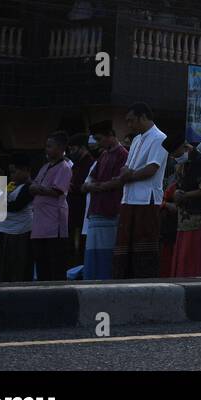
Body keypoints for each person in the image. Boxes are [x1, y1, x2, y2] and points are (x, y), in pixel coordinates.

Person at [114, 103, 169, 279]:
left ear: (143, 117)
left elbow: (152, 168)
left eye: (131, 121)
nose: (129, 125)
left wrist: (128, 175)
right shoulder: (137, 139)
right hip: (129, 198)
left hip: (147, 200)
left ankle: (146, 283)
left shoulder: (160, 138)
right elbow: (127, 167)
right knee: (126, 246)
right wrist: (125, 173)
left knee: (144, 245)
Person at [81, 120, 128, 280]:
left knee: (106, 254)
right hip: (96, 211)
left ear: (110, 135)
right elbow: (88, 181)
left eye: (100, 139)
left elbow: (119, 180)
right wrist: (93, 186)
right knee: (93, 254)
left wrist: (96, 186)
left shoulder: (123, 154)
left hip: (110, 212)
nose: (99, 143)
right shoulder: (104, 155)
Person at [28, 131, 73, 281]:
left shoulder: (64, 167)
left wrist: (37, 189)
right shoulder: (45, 167)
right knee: (41, 263)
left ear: (60, 148)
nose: (46, 149)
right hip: (39, 224)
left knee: (55, 265)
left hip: (54, 224)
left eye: (50, 146)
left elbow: (56, 191)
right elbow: (34, 184)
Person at [171, 136, 201, 277]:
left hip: (199, 216)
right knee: (183, 252)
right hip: (184, 216)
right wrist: (177, 193)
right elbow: (179, 184)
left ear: (185, 147)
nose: (176, 158)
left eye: (177, 155)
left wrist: (184, 195)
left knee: (192, 254)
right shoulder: (183, 163)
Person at [0, 155, 35, 282]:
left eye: (14, 172)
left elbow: (17, 206)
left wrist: (3, 204)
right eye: (10, 172)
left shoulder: (29, 187)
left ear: (26, 170)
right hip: (5, 230)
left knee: (18, 263)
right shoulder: (11, 185)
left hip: (21, 231)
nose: (11, 175)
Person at [65, 133, 94, 266]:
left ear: (82, 148)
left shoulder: (89, 163)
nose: (71, 152)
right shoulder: (76, 165)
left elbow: (82, 185)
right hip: (72, 209)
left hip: (82, 210)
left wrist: (71, 186)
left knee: (79, 247)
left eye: (73, 149)